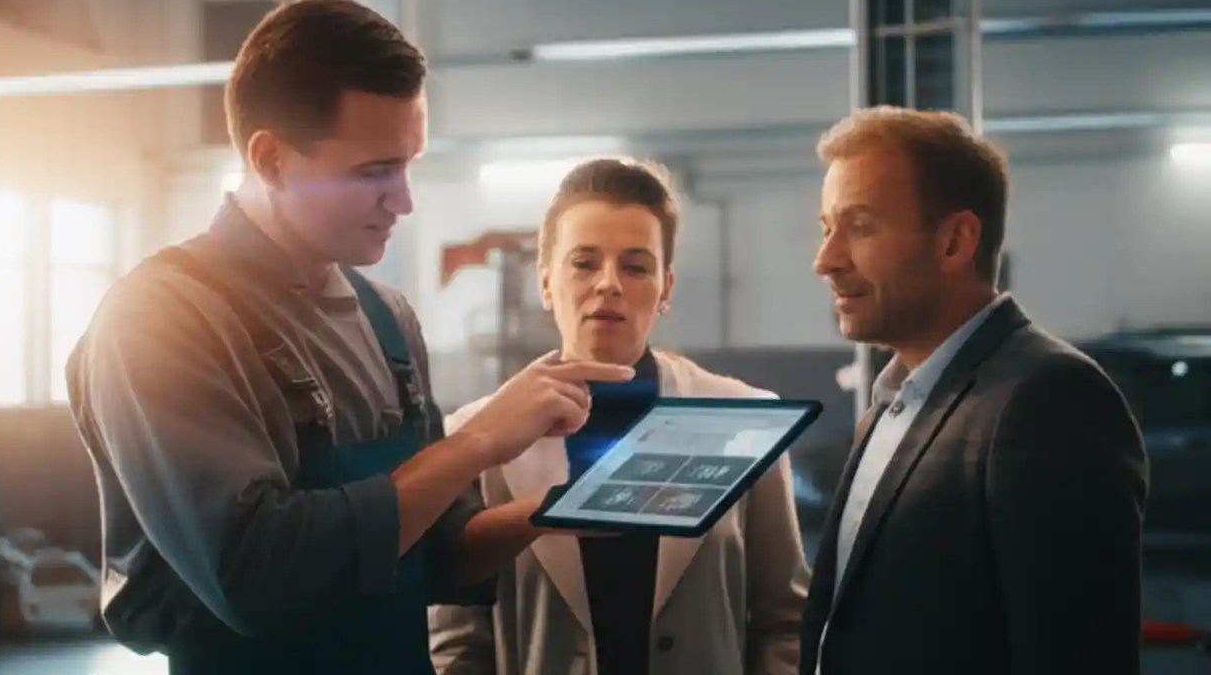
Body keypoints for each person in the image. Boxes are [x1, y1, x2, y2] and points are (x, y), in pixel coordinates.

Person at [65, 0, 633, 675]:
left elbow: (436, 552)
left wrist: (563, 509)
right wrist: (478, 442)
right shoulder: (161, 322)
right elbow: (257, 580)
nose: (403, 200)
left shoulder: (386, 317)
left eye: (408, 165)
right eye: (373, 172)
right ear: (272, 159)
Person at [428, 158, 811, 675]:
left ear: (666, 288)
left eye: (635, 266)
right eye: (584, 263)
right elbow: (456, 644)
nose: (608, 284)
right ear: (546, 283)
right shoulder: (474, 437)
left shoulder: (743, 419)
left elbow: (783, 620)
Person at [801, 106, 1149, 675]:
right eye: (826, 228)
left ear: (955, 241)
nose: (826, 260)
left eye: (859, 225)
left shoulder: (1047, 399)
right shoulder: (892, 405)